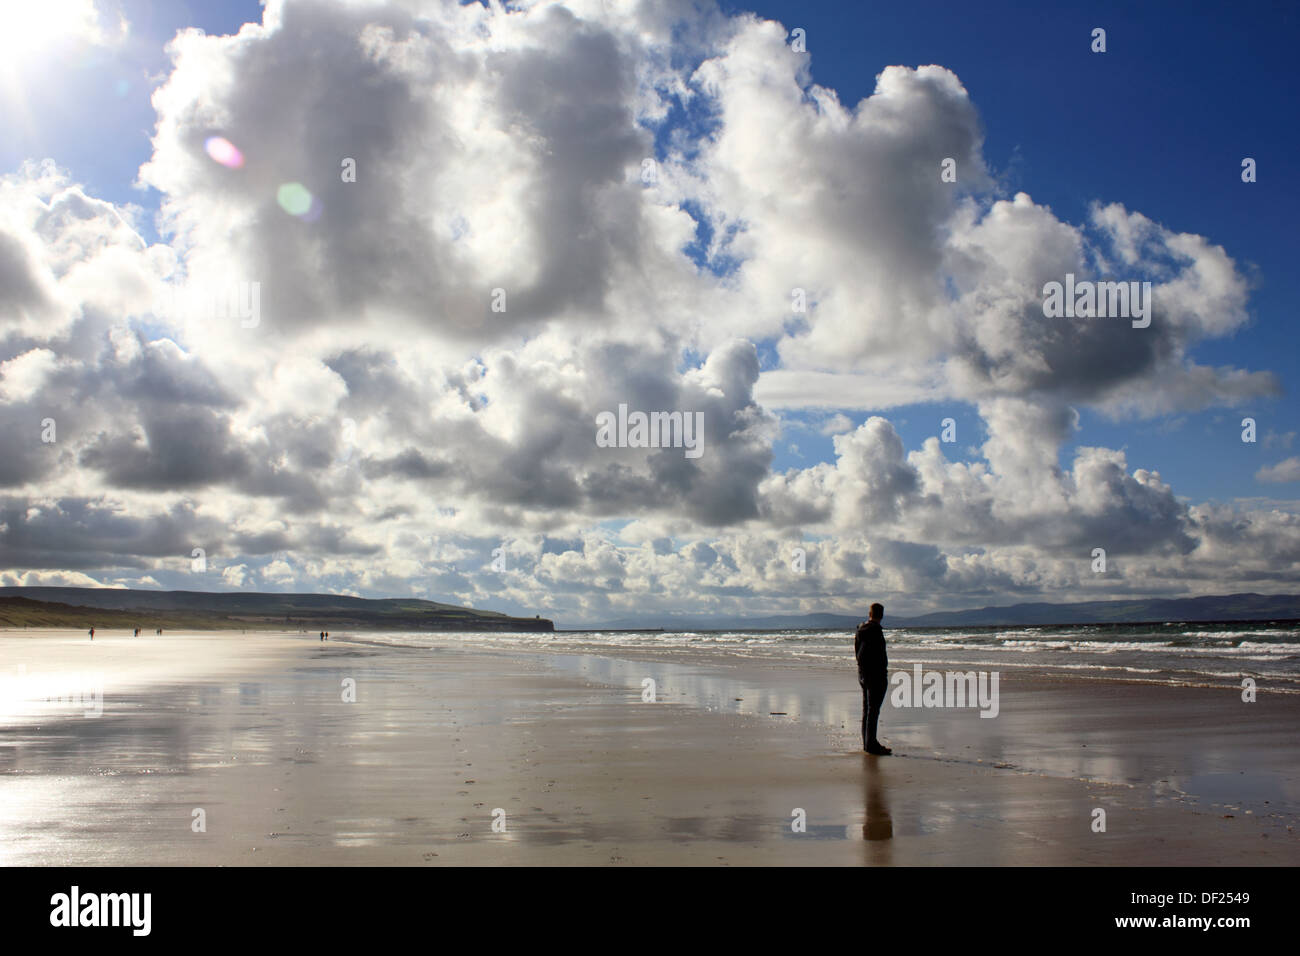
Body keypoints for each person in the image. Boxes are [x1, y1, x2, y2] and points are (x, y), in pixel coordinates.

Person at [854, 603, 892, 755]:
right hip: (875, 675)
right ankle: (871, 744)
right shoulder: (875, 631)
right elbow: (879, 655)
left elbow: (857, 652)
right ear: (881, 615)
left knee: (867, 710)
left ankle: (868, 742)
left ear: (869, 613)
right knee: (873, 710)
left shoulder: (860, 629)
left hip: (863, 674)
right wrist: (882, 671)